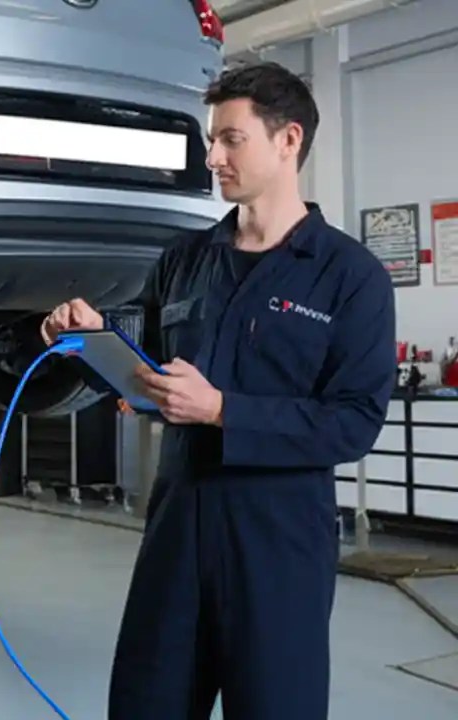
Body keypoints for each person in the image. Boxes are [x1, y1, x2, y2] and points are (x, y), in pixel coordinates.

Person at [41, 62, 397, 719]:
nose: (212, 156)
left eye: (231, 139)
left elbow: (353, 422)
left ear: (288, 140)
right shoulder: (185, 260)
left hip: (279, 538)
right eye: (211, 139)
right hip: (177, 524)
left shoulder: (351, 277)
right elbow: (147, 374)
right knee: (147, 702)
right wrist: (90, 340)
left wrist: (223, 410)